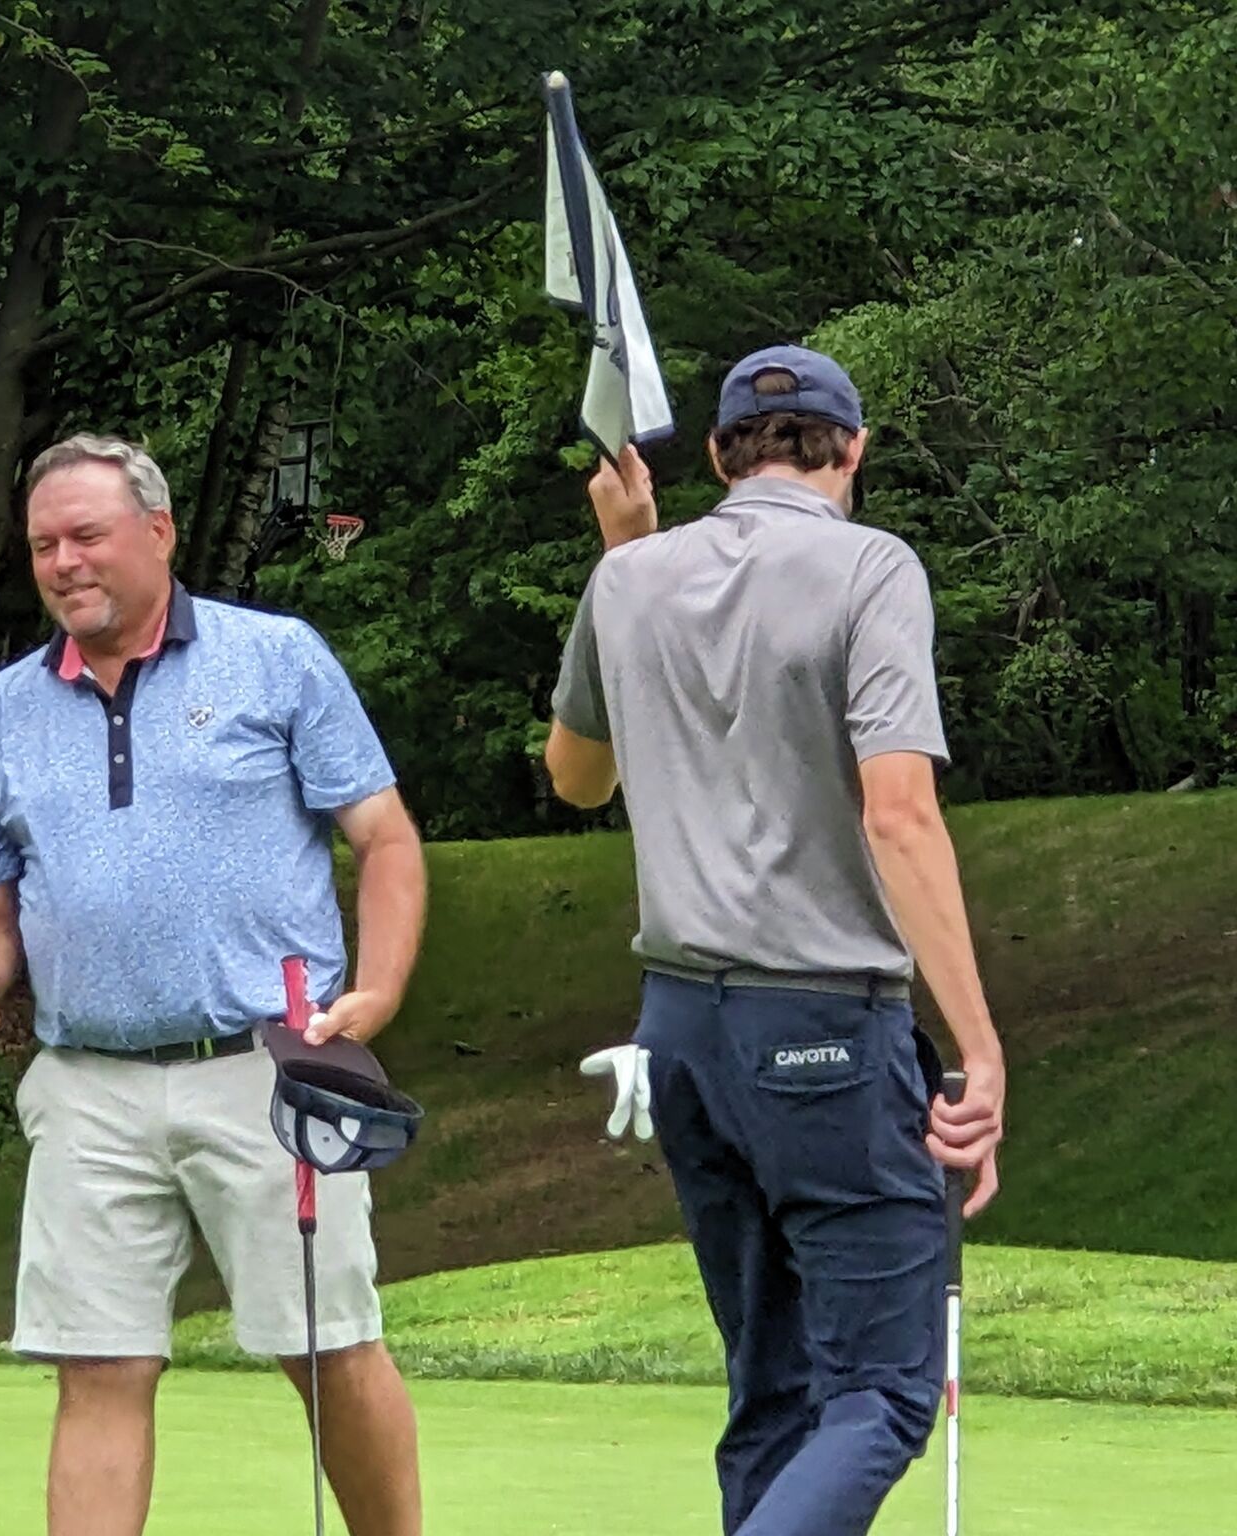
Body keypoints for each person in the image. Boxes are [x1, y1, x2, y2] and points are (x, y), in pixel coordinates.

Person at [0, 433, 427, 1536]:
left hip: (270, 1069)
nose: (63, 562)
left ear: (158, 532)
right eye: (44, 544)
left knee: (326, 1347)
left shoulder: (273, 658)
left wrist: (374, 990)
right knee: (96, 1370)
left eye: (86, 535)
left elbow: (383, 839)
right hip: (87, 1080)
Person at [545, 347, 1007, 1536]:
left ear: (715, 457)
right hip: (822, 1024)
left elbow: (575, 777)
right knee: (882, 1392)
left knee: (775, 1391)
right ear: (850, 451)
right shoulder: (871, 569)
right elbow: (897, 810)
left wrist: (622, 559)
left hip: (680, 1033)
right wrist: (978, 1048)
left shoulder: (632, 578)